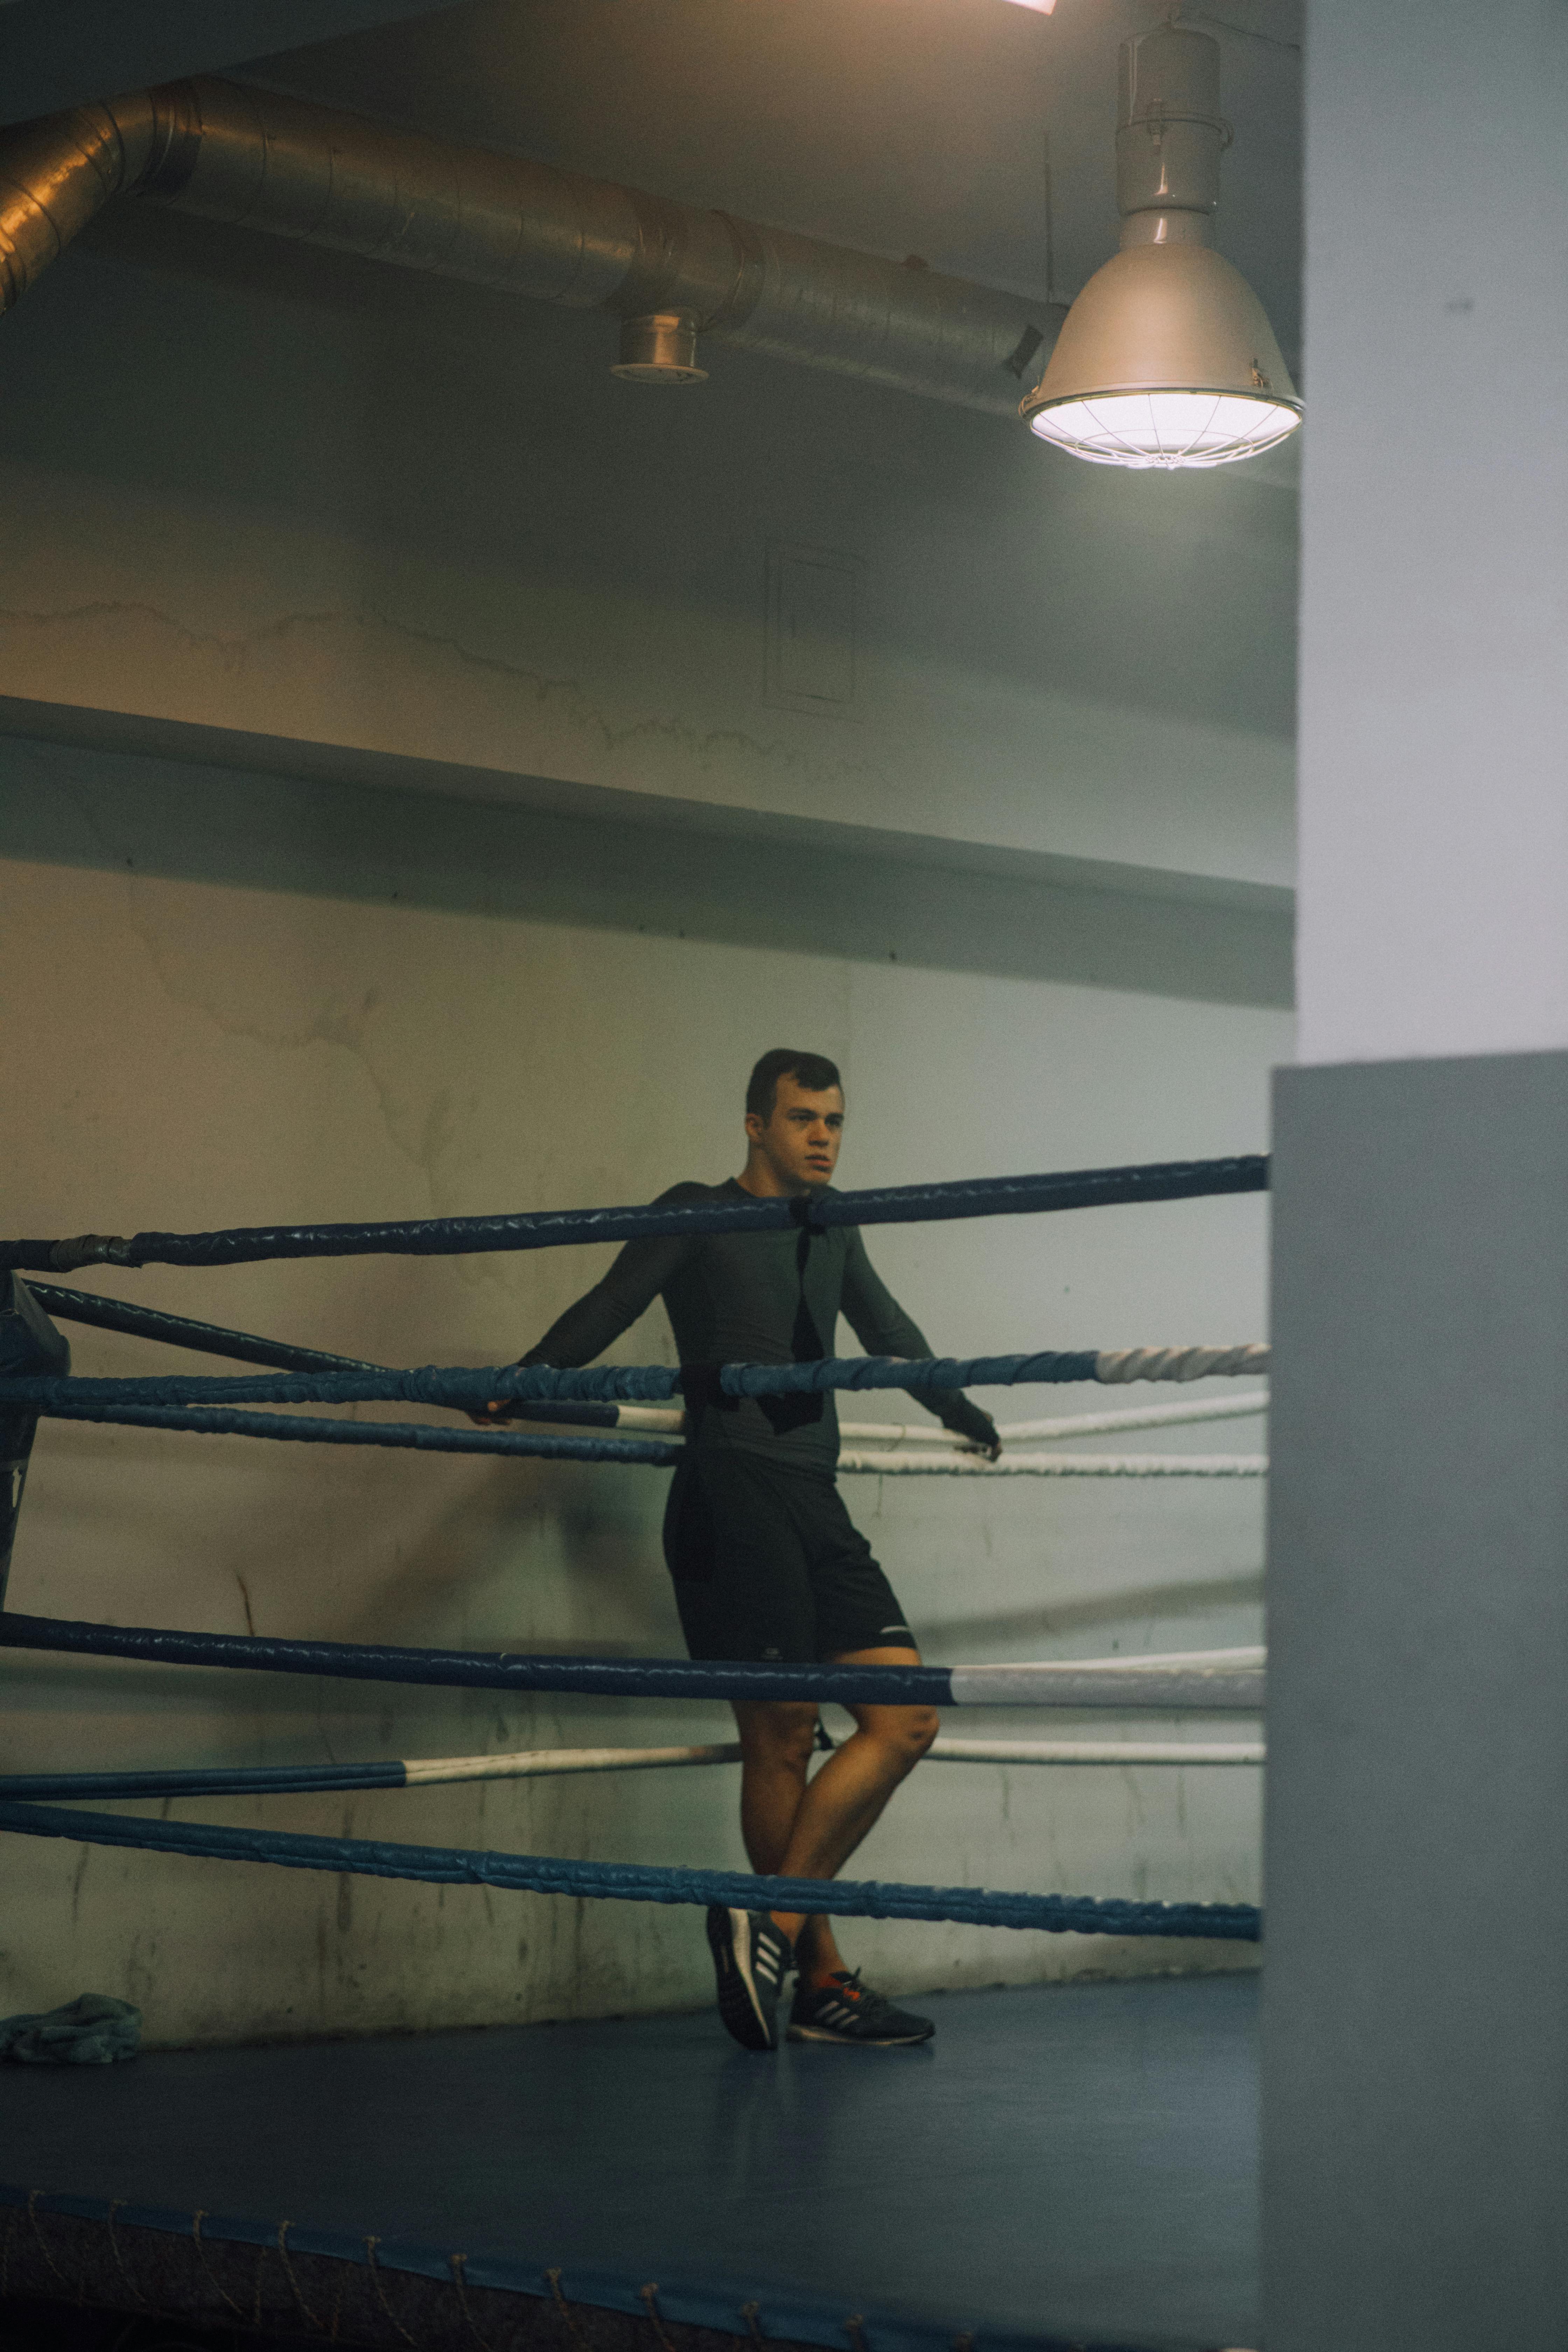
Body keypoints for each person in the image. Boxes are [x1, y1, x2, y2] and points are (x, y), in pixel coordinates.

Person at [479, 1049, 1000, 2053]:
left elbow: (889, 1329)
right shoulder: (699, 1209)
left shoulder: (834, 1225)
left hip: (816, 1499)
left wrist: (962, 1403)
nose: (823, 1137)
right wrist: (528, 1373)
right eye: (803, 1118)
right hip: (731, 1492)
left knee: (904, 1719)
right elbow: (612, 1302)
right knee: (784, 1731)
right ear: (755, 1126)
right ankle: (824, 1982)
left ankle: (771, 1921)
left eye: (836, 1121)